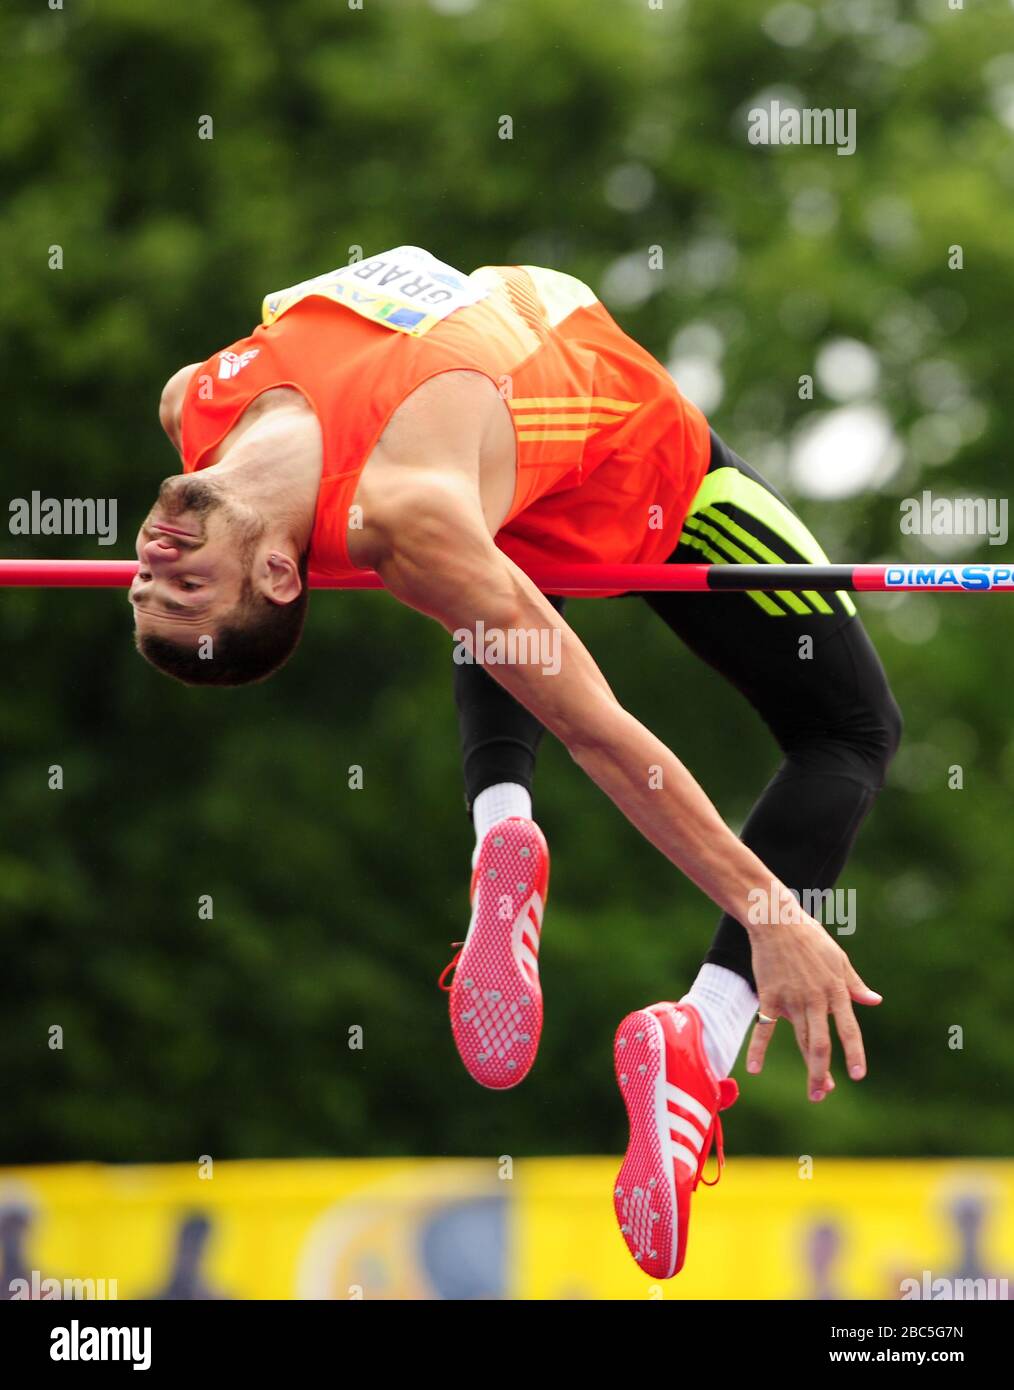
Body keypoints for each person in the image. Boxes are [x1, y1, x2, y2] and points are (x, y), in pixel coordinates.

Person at [138, 246, 901, 1279]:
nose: (152, 570)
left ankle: (505, 826)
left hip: (500, 494)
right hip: (652, 480)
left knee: (472, 570)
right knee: (851, 733)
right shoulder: (405, 512)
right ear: (279, 571)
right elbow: (601, 729)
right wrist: (774, 915)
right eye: (186, 594)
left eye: (148, 589)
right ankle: (702, 1033)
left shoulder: (197, 403)